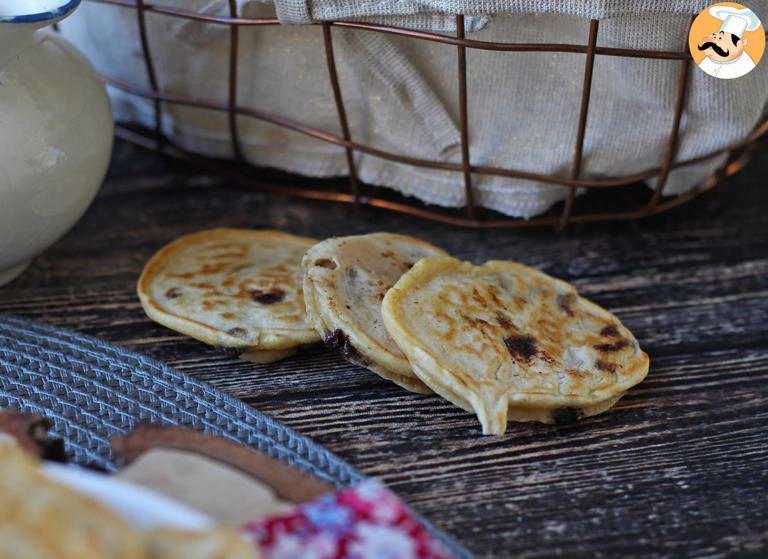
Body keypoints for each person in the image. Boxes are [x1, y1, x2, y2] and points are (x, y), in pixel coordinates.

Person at [697, 6, 761, 79]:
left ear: (741, 43)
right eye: (714, 36)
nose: (712, 41)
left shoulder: (745, 66)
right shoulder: (706, 61)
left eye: (720, 38)